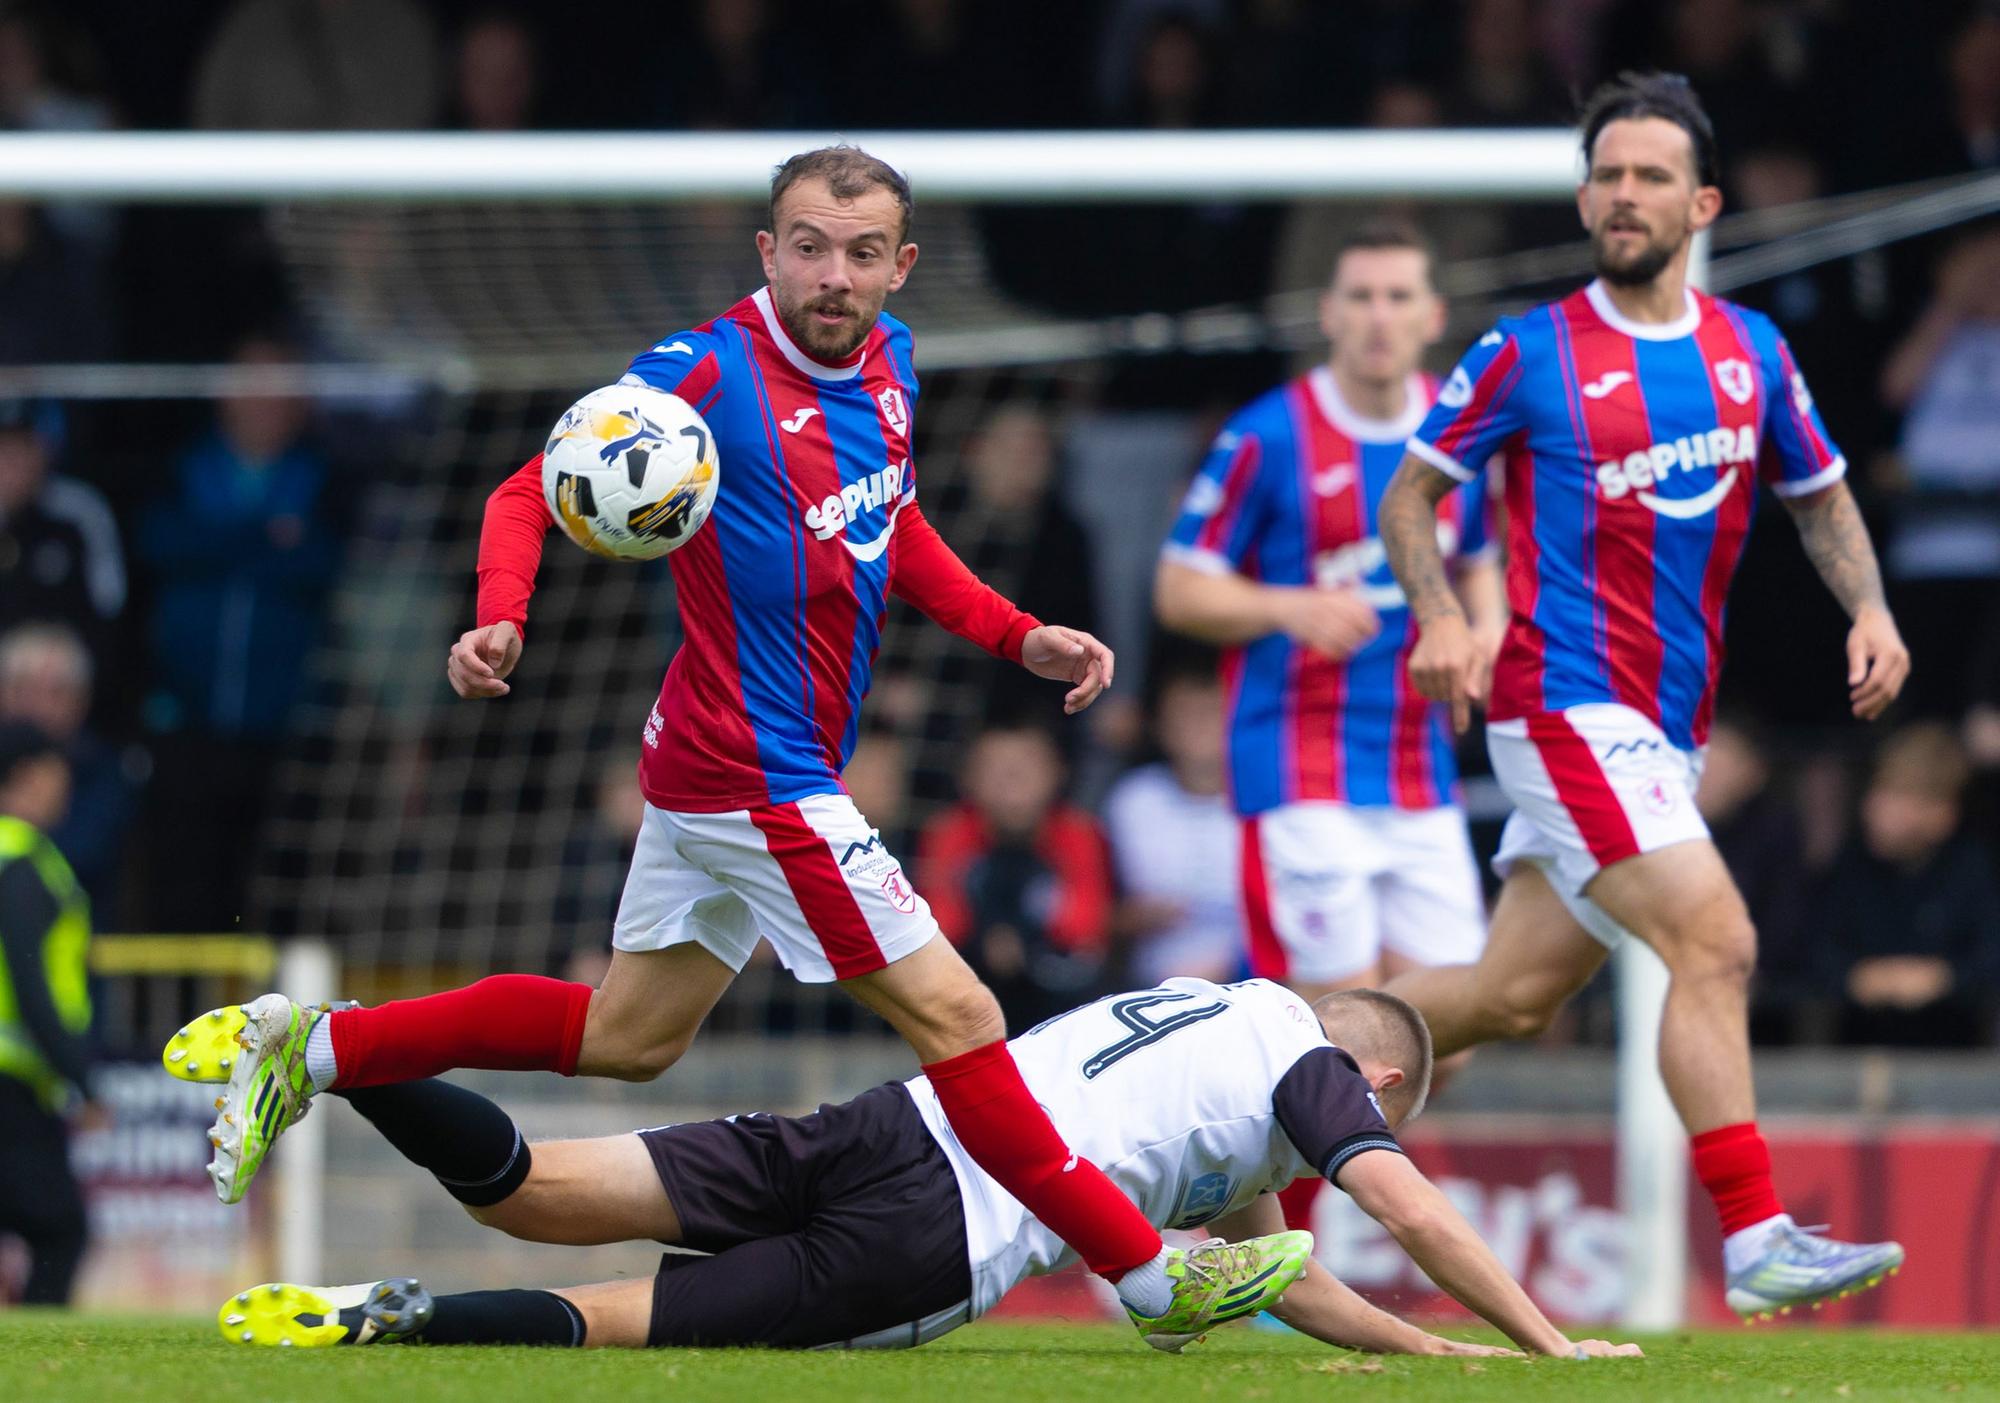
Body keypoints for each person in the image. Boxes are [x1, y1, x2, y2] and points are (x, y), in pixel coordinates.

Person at [166, 146, 1312, 1346]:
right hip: (755, 772)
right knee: (962, 1017)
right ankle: (1148, 1278)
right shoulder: (699, 371)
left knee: (629, 1035)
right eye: (807, 246)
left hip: (712, 761)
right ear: (767, 251)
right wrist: (500, 612)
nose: (833, 274)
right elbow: (522, 488)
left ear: (899, 266)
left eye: (861, 253)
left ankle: (321, 1042)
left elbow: (895, 520)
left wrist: (1012, 632)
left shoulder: (893, 365)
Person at [1375, 72, 1911, 1320]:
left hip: (1660, 727)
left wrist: (1871, 608)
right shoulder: (1527, 349)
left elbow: (1818, 493)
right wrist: (1445, 613)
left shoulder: (1749, 353)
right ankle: (1755, 1232)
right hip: (1560, 703)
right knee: (1711, 938)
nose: (1622, 196)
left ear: (1701, 201)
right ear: (1583, 197)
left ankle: (1278, 1039)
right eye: (1605, 176)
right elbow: (1410, 496)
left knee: (1506, 996)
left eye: (1648, 176)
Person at [212, 980, 1639, 1363]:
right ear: (1375, 1076)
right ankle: (386, 1317)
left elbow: (1272, 1260)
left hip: (892, 1121)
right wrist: (1536, 1341)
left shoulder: (1223, 1009)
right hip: (940, 1238)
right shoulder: (1323, 1069)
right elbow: (1402, 1203)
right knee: (620, 1319)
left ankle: (333, 1058)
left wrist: (1403, 1351)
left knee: (534, 1184)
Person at [1156, 221, 1502, 1238]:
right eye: (1360, 296)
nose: (1379, 316)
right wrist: (1284, 607)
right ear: (1328, 313)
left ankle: (1231, 1176)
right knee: (1331, 1035)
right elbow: (1178, 585)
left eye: (1399, 296)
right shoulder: (1268, 433)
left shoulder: (1453, 438)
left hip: (1417, 774)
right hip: (1297, 769)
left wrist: (1479, 629)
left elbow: (1478, 553)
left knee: (1458, 1031)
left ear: (1430, 316)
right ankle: (1257, 1251)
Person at [1814, 723, 2000, 1048]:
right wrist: (1860, 978)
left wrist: (1942, 977)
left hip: (1956, 1055)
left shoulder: (1971, 868)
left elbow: (1989, 957)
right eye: (1880, 792)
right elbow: (1813, 952)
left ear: (1943, 814)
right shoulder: (1851, 862)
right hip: (1855, 1051)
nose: (1879, 811)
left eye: (1901, 798)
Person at [918, 723, 1114, 1028]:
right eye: (994, 767)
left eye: (1027, 765)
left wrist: (1024, 942)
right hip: (966, 1007)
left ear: (1057, 773)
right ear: (968, 778)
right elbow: (942, 929)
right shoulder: (950, 833)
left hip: (1060, 1004)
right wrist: (987, 939)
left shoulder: (1078, 834)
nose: (1011, 778)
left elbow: (1084, 930)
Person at [0, 722, 96, 1305]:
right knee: (60, 1228)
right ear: (31, 775)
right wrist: (80, 1079)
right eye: (60, 773)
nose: (66, 787)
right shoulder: (24, 860)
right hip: (12, 1075)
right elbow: (31, 982)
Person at [1102, 668, 1240, 986]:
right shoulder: (1132, 800)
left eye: (1211, 712)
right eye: (1185, 714)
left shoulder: (1267, 803)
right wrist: (1133, 919)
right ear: (1160, 725)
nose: (1198, 725)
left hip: (1254, 987)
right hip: (1142, 990)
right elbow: (1093, 912)